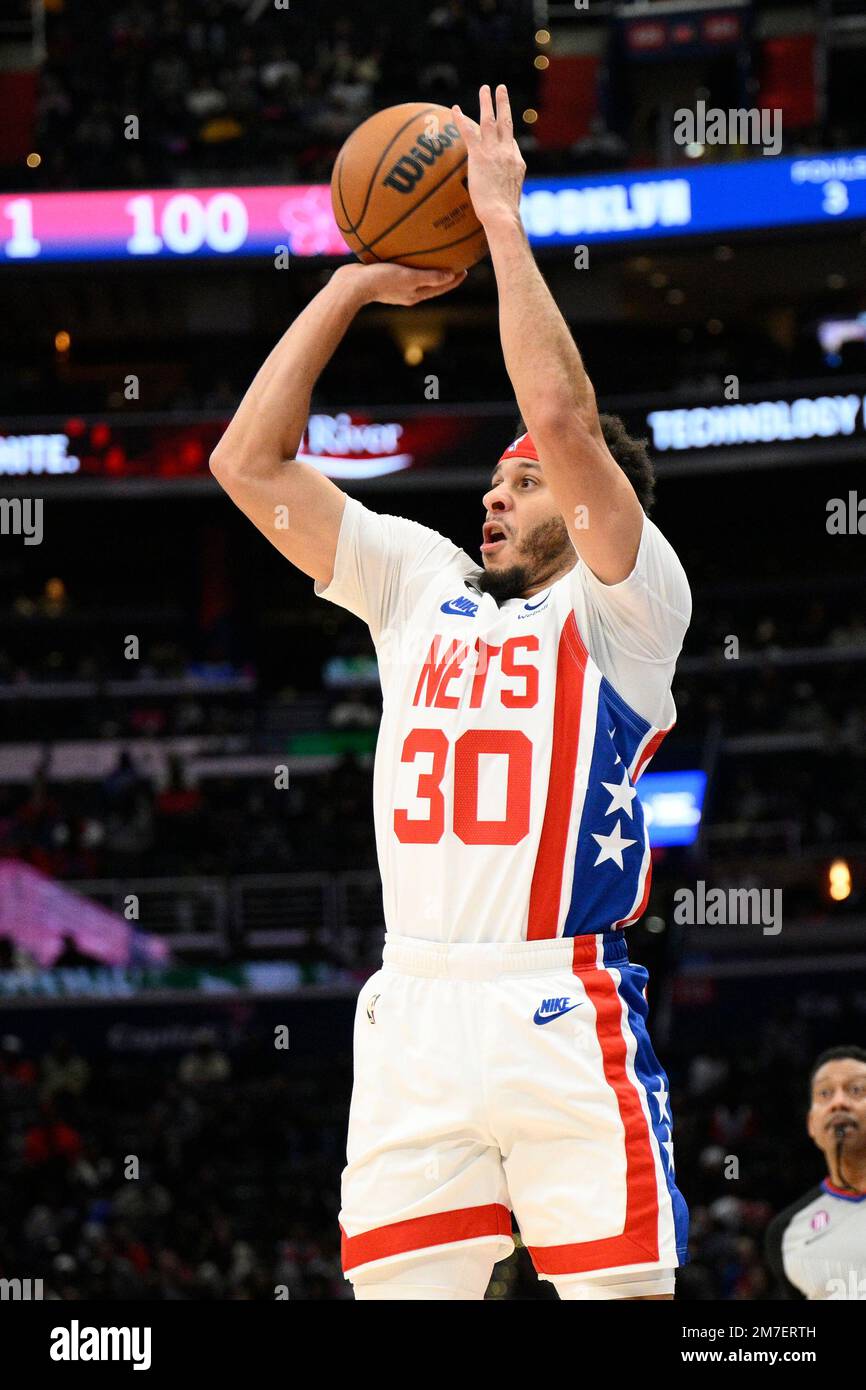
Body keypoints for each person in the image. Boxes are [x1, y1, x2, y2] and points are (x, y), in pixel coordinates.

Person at [211, 83, 690, 1301]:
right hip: (411, 1004)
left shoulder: (626, 605)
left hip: (557, 995)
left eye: (520, 485)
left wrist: (498, 222)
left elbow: (566, 420)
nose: (493, 496)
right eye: (491, 480)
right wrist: (354, 283)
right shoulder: (417, 580)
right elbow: (246, 462)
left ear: (586, 511)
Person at [765, 1046, 866, 1300]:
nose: (838, 1103)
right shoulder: (785, 1232)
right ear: (812, 1124)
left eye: (856, 1090)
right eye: (825, 1093)